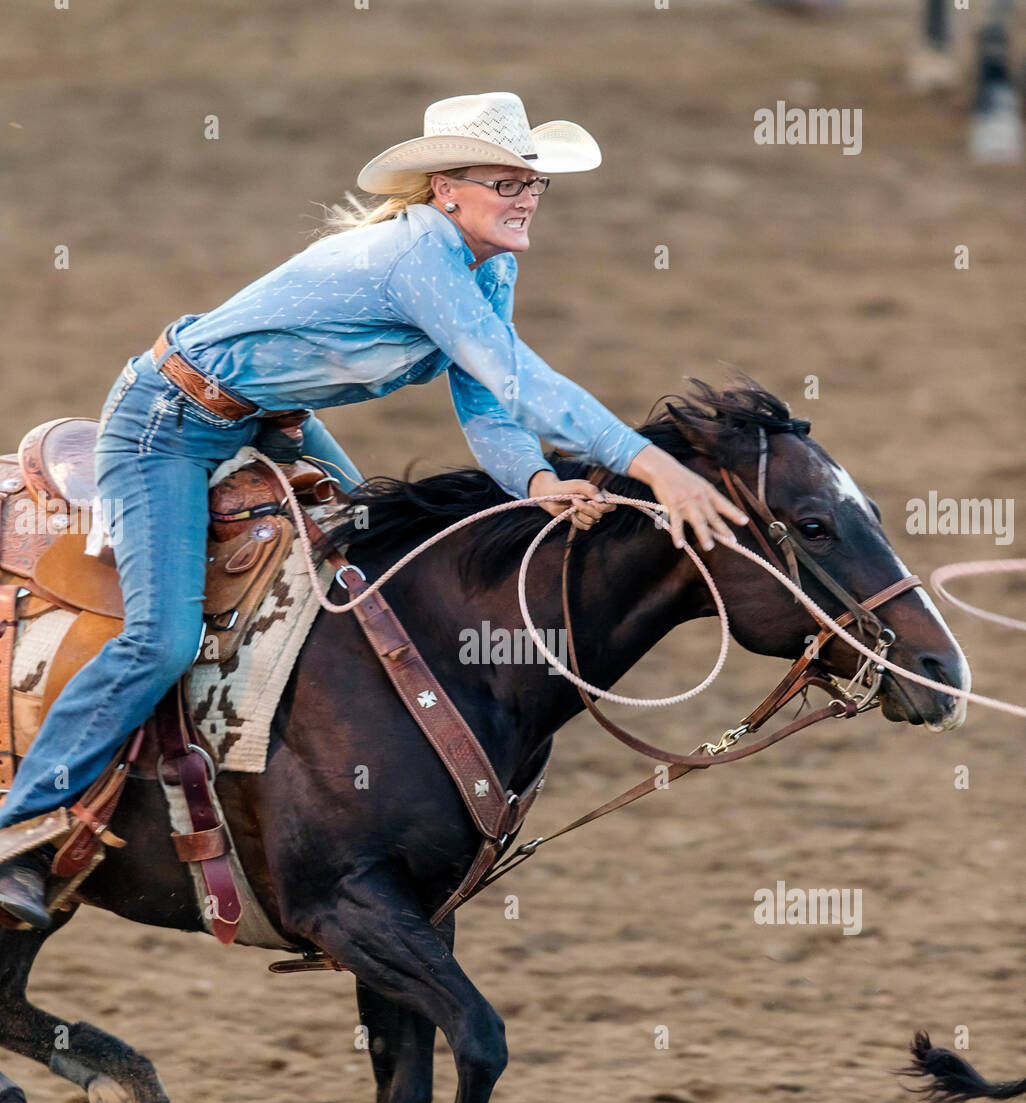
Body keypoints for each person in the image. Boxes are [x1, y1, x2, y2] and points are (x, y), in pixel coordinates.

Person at [0, 90, 746, 930]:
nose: (528, 197)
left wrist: (535, 484)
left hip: (265, 420)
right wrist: (651, 466)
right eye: (508, 182)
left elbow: (491, 404)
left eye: (534, 184)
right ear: (445, 189)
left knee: (363, 563)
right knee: (161, 636)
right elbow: (521, 379)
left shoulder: (486, 264)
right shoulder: (414, 256)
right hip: (166, 429)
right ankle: (23, 832)